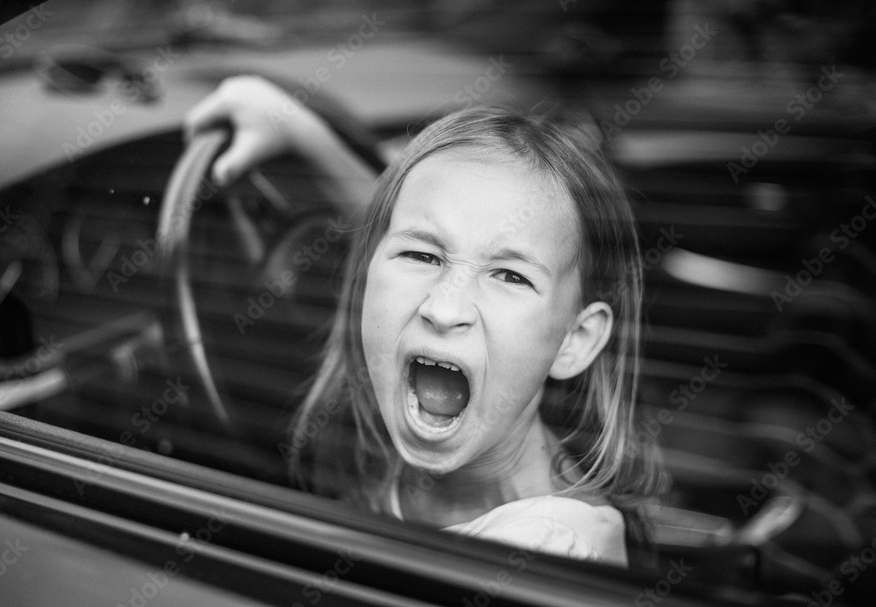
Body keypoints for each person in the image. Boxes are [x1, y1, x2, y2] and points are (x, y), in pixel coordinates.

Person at [186, 76, 664, 566]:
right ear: (367, 274)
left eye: (509, 276)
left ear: (575, 341)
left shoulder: (552, 548)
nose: (443, 308)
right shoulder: (365, 433)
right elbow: (389, 218)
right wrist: (298, 127)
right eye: (422, 256)